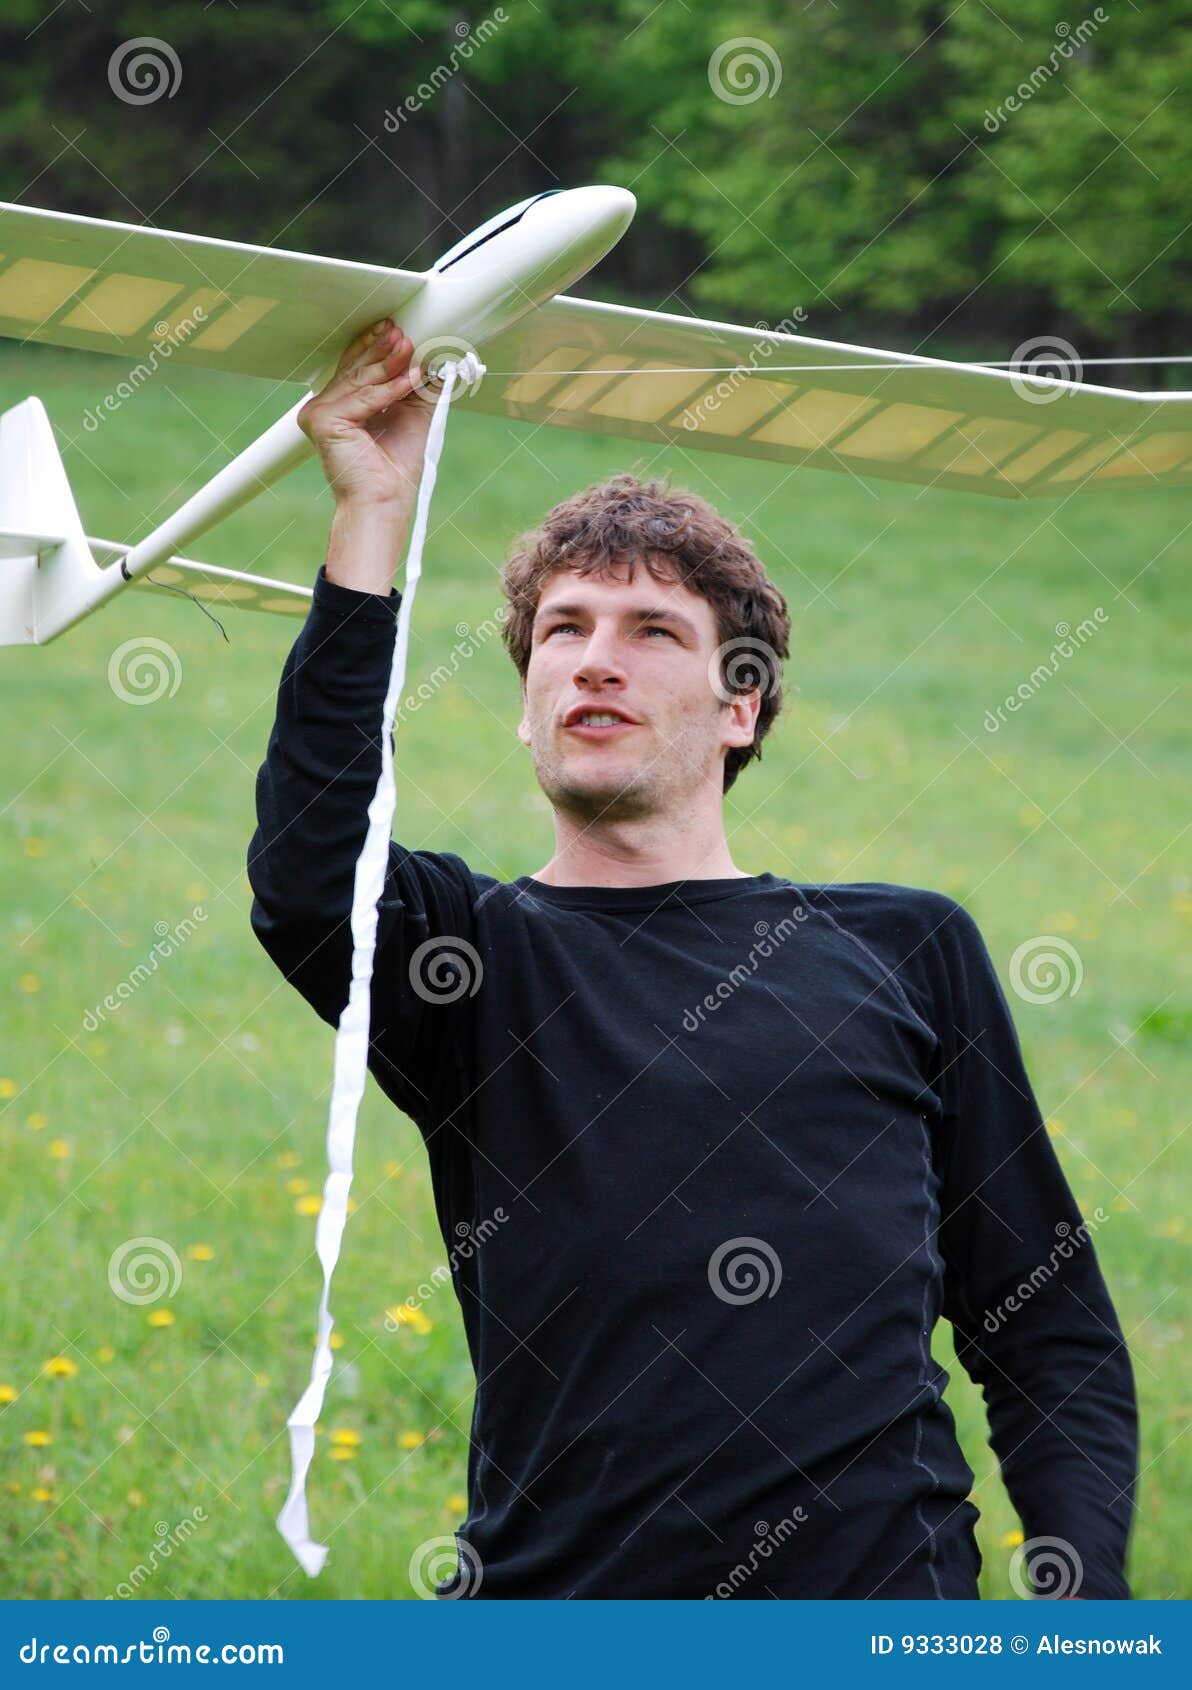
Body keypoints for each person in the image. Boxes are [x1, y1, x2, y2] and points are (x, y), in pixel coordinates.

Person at [247, 317, 1138, 1599]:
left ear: (740, 702)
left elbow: (1048, 1331)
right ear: (526, 697)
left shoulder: (903, 947)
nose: (595, 658)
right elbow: (307, 876)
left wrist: (1079, 1621)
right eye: (562, 629)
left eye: (652, 631)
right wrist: (372, 514)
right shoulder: (475, 961)